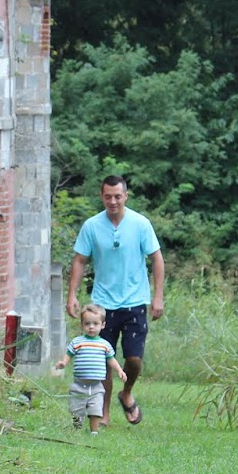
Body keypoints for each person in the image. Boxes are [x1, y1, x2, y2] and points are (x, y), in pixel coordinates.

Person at [66, 175, 164, 425]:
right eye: (108, 196)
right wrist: (72, 294)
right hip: (103, 304)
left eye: (117, 196)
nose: (113, 201)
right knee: (102, 361)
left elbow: (156, 258)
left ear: (125, 196)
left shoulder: (140, 224)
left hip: (134, 301)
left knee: (134, 359)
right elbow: (80, 260)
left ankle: (127, 392)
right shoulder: (91, 226)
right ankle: (104, 412)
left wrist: (158, 297)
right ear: (102, 196)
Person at [55, 304, 127, 434]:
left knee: (96, 409)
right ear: (82, 325)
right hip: (79, 384)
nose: (91, 327)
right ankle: (77, 429)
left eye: (95, 324)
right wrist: (63, 363)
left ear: (103, 325)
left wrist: (119, 370)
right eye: (87, 323)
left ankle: (94, 432)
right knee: (76, 409)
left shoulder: (104, 345)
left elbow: (111, 359)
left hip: (96, 386)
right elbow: (69, 354)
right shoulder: (77, 342)